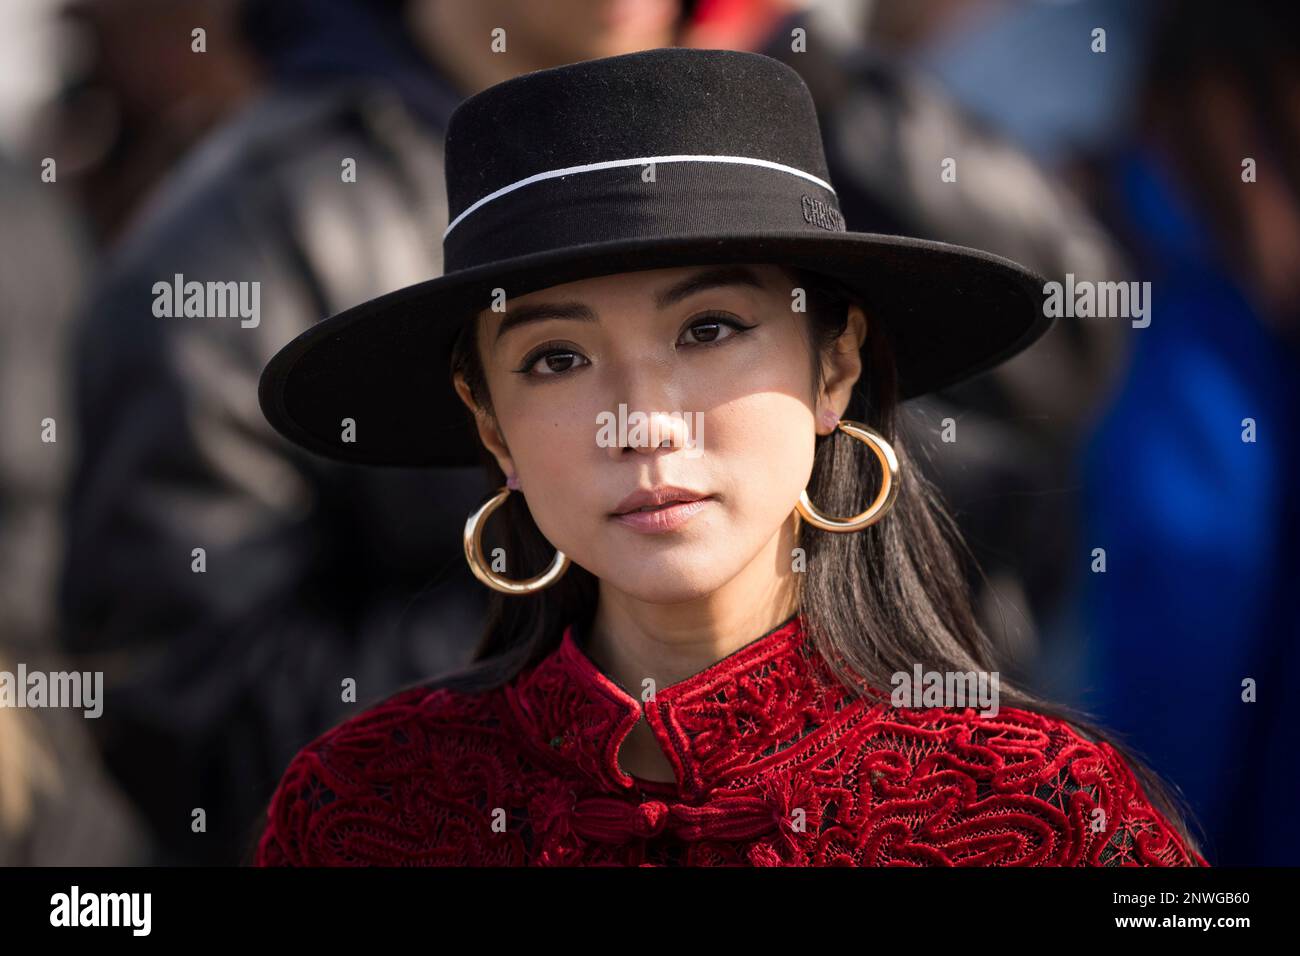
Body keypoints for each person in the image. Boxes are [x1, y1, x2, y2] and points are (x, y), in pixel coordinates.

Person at [253, 48, 1206, 866]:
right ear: (491, 423)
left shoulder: (1047, 818)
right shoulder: (361, 811)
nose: (642, 422)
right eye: (557, 359)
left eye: (709, 329)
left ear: (834, 365)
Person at [57, 0, 684, 865]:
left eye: (714, 328)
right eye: (553, 356)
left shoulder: (793, 139)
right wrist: (593, 613)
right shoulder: (245, 230)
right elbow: (186, 710)